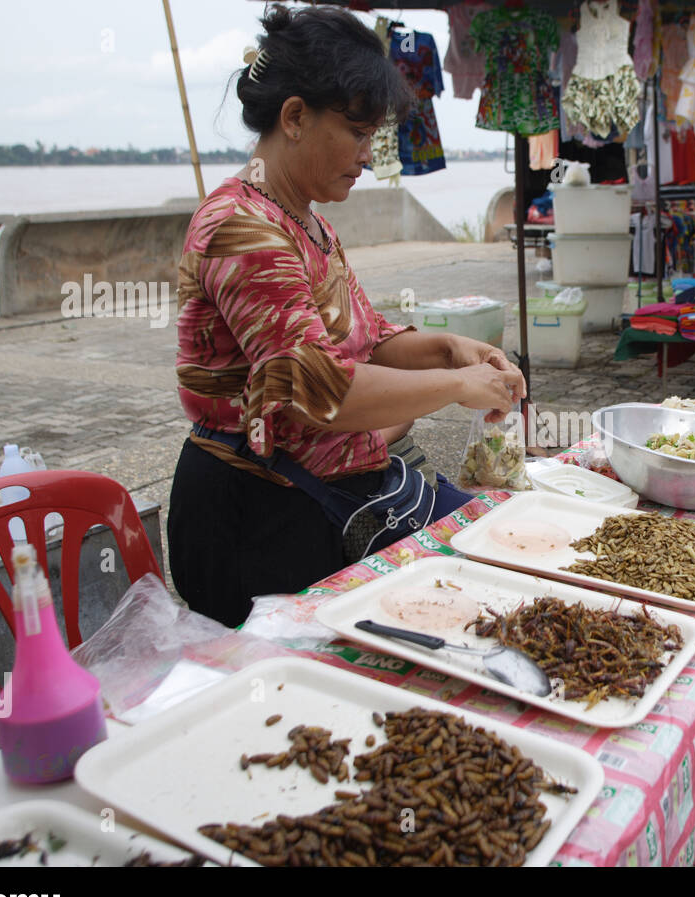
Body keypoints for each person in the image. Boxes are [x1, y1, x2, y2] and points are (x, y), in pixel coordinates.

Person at [167, 4, 526, 627]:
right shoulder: (241, 230)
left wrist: (448, 349)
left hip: (328, 490)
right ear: (296, 117)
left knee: (495, 566)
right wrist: (456, 387)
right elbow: (321, 390)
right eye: (357, 133)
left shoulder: (308, 222)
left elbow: (369, 341)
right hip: (260, 515)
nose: (367, 154)